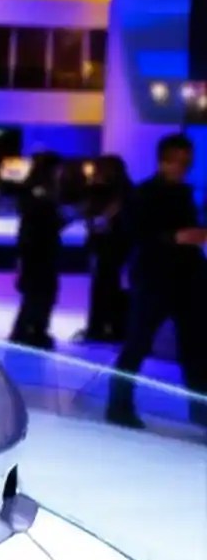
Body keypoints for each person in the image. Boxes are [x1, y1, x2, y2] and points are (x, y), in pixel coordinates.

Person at [106, 134, 207, 430]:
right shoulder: (144, 194)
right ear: (163, 161)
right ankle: (119, 404)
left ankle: (200, 410)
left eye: (186, 162)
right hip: (154, 278)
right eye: (177, 162)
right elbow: (137, 234)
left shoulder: (184, 193)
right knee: (138, 342)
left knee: (197, 347)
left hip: (188, 278)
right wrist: (175, 237)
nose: (182, 167)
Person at [10, 152, 68, 350]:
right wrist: (62, 220)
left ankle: (30, 330)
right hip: (39, 250)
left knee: (37, 292)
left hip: (36, 249)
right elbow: (43, 222)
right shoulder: (40, 193)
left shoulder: (34, 191)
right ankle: (32, 331)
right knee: (40, 292)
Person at [78, 155, 132, 343]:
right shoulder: (121, 191)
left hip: (110, 247)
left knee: (106, 288)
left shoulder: (117, 194)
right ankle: (110, 328)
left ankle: (102, 328)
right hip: (110, 247)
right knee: (108, 287)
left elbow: (97, 219)